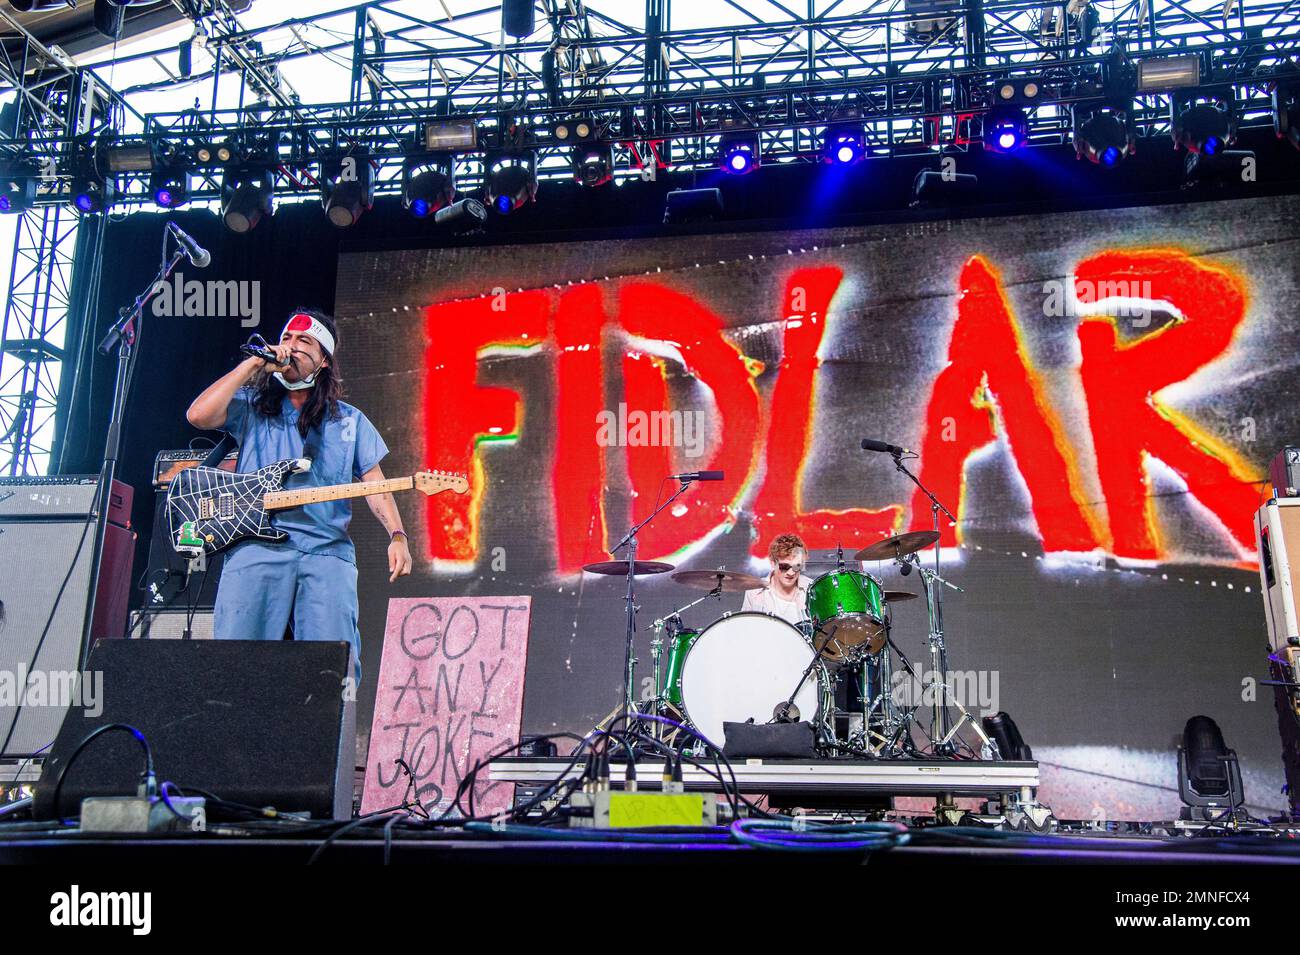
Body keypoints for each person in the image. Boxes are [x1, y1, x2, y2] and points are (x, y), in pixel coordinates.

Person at [185, 309, 411, 681]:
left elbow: (376, 485)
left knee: (333, 671)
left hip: (326, 553)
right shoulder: (254, 406)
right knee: (234, 664)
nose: (290, 346)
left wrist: (398, 536)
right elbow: (199, 415)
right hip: (256, 547)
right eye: (287, 338)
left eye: (303, 341)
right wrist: (255, 364)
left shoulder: (350, 420)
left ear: (323, 360)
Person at [741, 532, 814, 627]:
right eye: (784, 566)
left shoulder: (812, 589)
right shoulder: (754, 592)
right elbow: (745, 630)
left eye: (797, 566)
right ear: (772, 563)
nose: (791, 573)